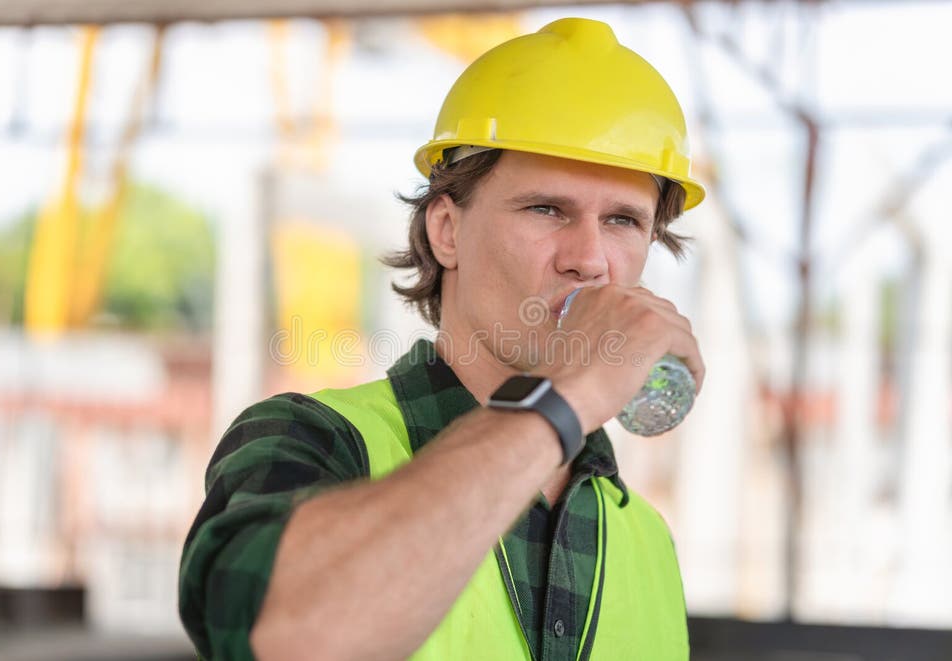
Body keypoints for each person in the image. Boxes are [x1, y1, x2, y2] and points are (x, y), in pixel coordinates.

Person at [179, 16, 706, 661]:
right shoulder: (312, 441)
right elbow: (286, 635)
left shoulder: (645, 540)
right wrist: (565, 397)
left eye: (623, 220)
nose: (590, 259)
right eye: (547, 209)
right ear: (446, 231)